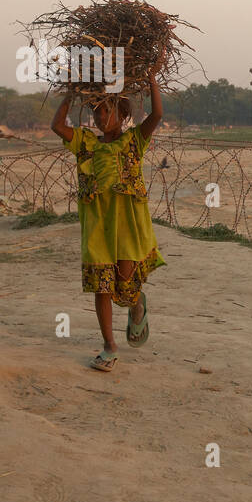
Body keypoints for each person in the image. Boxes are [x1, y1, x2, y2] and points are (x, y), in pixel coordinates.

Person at [51, 74, 165, 372]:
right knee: (102, 287)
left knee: (125, 286)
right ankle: (109, 347)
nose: (100, 118)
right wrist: (72, 94)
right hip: (97, 224)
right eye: (96, 113)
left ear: (122, 113)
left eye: (106, 111)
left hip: (128, 222)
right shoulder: (85, 143)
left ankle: (137, 303)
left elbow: (158, 114)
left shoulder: (134, 140)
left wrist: (152, 80)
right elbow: (56, 126)